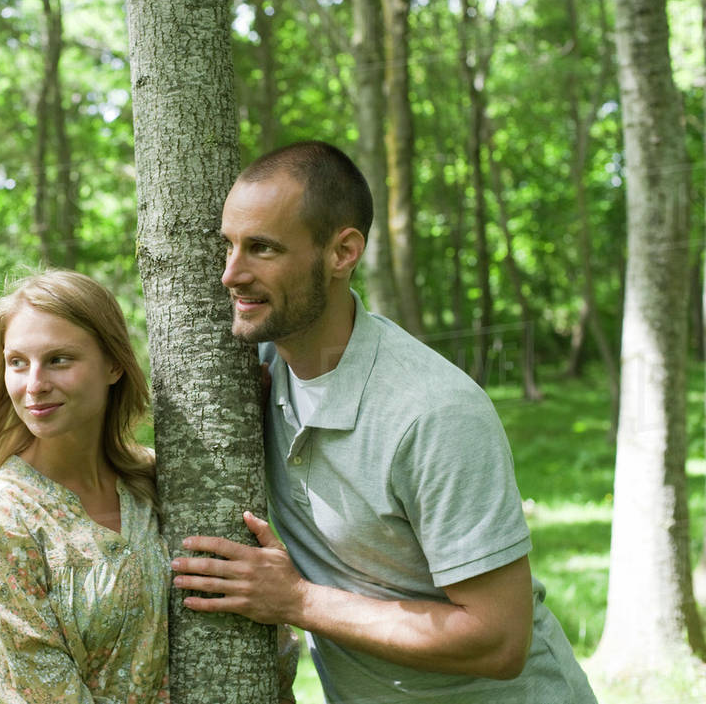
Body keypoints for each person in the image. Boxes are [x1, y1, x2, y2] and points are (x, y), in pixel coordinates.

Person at [171, 141, 598, 702]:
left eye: (263, 249)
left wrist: (297, 600)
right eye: (228, 246)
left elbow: (500, 639)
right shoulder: (256, 376)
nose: (230, 275)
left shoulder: (432, 412)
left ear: (342, 252)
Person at [0, 270, 169, 704]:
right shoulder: (0, 518)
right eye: (18, 362)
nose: (34, 385)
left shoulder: (156, 484)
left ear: (114, 364)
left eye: (59, 359)